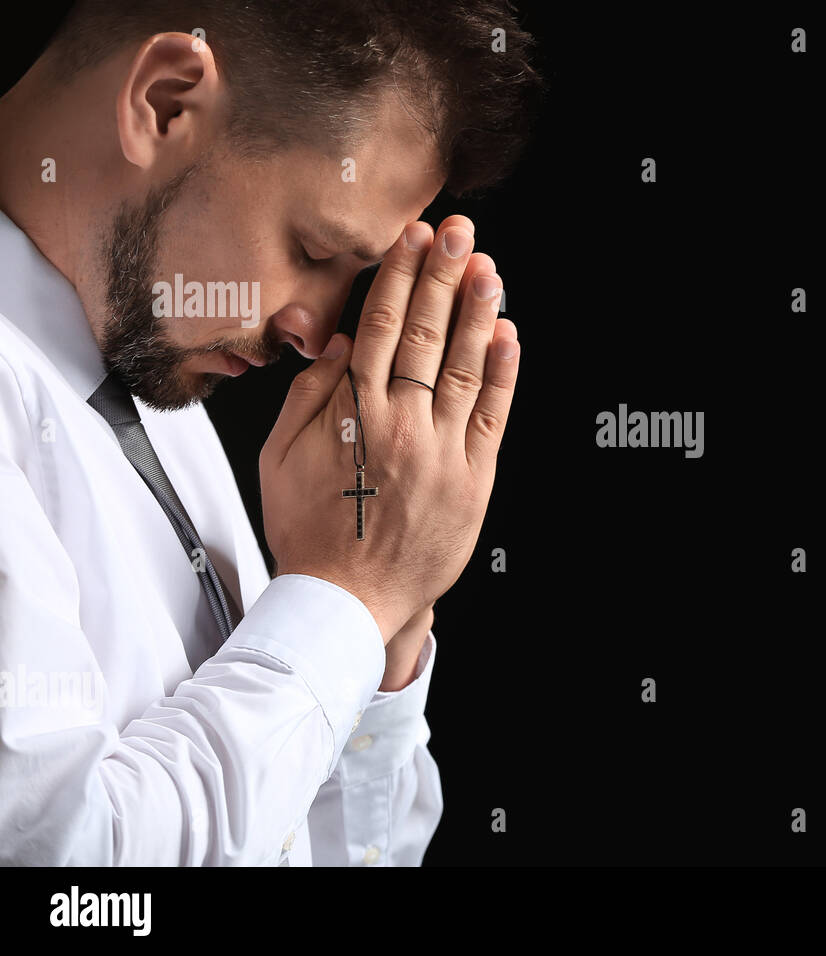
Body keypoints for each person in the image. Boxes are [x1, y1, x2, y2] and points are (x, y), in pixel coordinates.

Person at [0, 0, 544, 865]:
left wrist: (381, 642)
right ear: (167, 101)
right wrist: (346, 598)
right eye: (313, 249)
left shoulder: (150, 384)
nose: (315, 335)